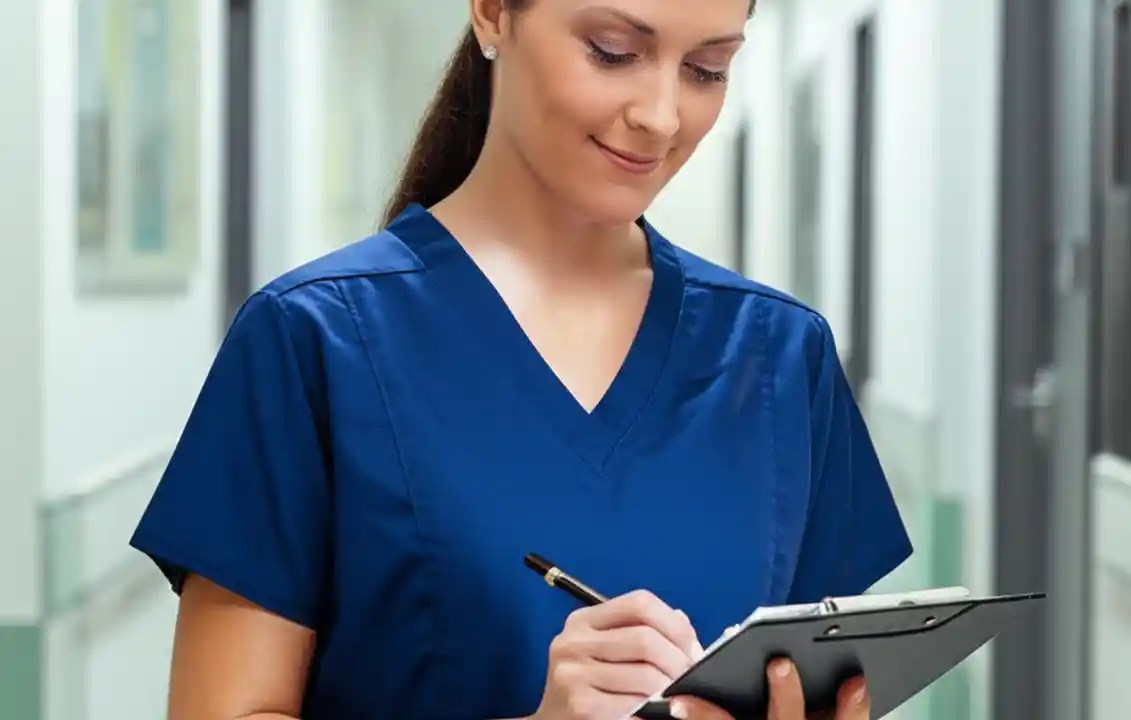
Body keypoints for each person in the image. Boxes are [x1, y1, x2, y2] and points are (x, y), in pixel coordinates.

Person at [129, 1, 912, 718]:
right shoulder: (314, 340)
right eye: (612, 52)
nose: (661, 116)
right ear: (493, 13)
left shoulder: (778, 356)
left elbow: (822, 689)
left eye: (707, 69)